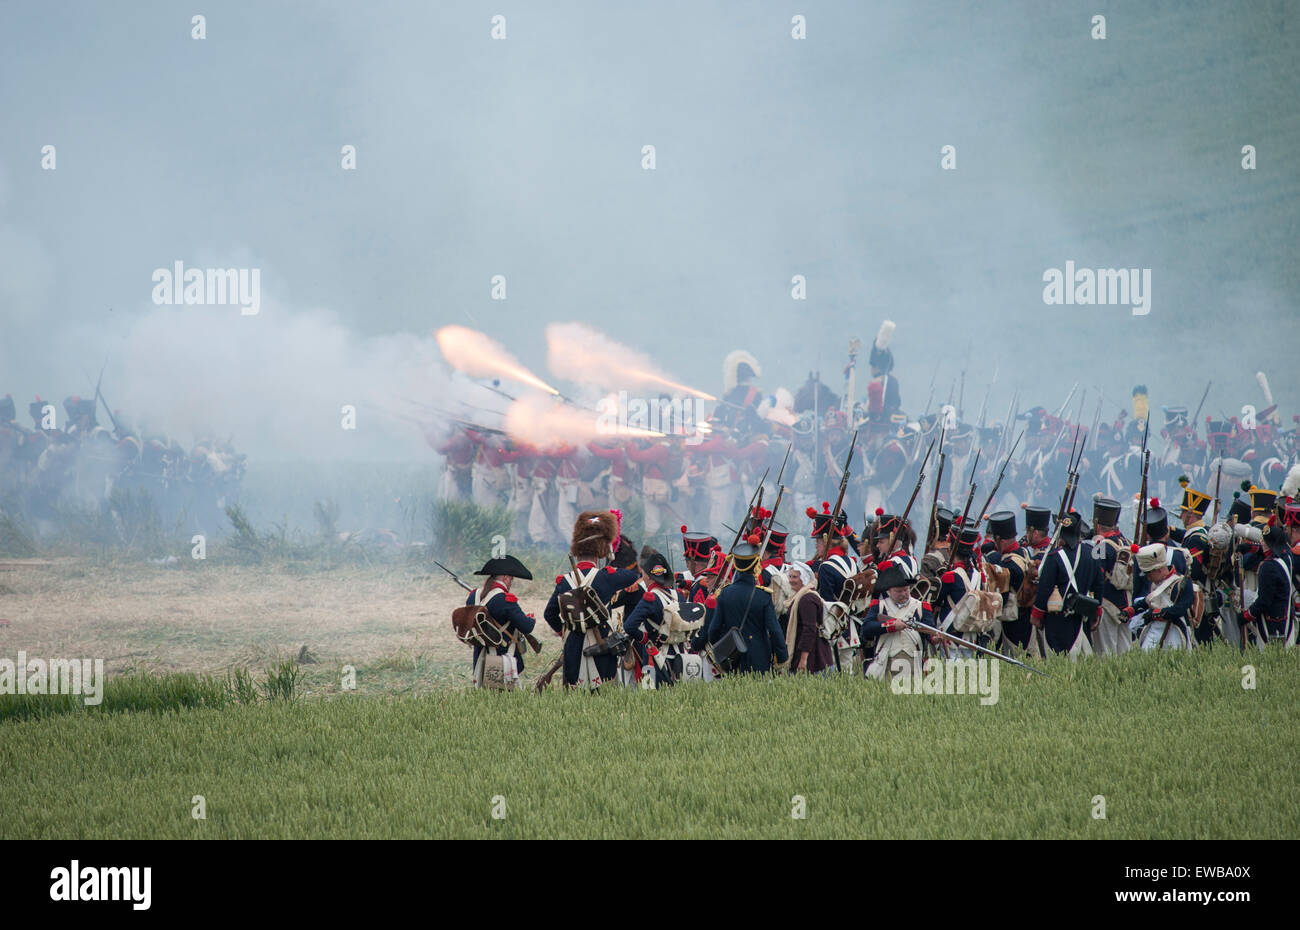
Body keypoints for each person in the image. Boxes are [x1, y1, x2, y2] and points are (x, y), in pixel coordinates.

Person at [543, 510, 640, 689]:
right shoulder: (607, 577)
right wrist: (612, 556)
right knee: (603, 694)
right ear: (598, 553)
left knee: (574, 696)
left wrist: (565, 631)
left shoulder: (564, 581)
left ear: (577, 552)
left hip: (573, 645)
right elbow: (634, 576)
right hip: (602, 643)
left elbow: (549, 614)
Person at [706, 539, 789, 674]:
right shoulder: (763, 596)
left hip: (732, 658)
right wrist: (782, 657)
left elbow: (713, 630)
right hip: (759, 658)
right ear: (755, 565)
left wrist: (722, 650)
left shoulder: (724, 594)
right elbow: (774, 630)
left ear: (736, 565)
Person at [1030, 512, 1098, 655]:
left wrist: (1037, 614)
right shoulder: (1091, 553)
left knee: (1058, 660)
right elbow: (1098, 586)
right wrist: (1096, 613)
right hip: (1083, 618)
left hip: (1057, 620)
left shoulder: (1054, 557)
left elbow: (1045, 588)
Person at [465, 555, 536, 688]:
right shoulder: (505, 599)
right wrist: (531, 619)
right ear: (505, 578)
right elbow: (527, 626)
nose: (511, 582)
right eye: (511, 579)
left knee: (485, 699)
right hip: (502, 658)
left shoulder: (473, 596)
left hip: (480, 658)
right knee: (507, 700)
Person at [860, 558, 930, 681]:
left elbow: (930, 631)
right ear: (889, 591)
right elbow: (866, 629)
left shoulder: (921, 607)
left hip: (912, 663)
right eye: (898, 591)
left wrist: (936, 638)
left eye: (906, 589)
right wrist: (890, 626)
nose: (903, 593)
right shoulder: (879, 606)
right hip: (886, 663)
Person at [1126, 543, 1195, 651]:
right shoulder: (1156, 584)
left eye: (1149, 574)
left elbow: (1181, 609)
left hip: (1174, 631)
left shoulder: (1181, 583)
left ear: (1159, 570)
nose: (1148, 578)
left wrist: (1155, 613)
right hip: (1154, 630)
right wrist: (1130, 610)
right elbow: (1148, 601)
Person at [783, 562, 832, 673]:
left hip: (814, 660)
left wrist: (803, 659)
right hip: (809, 657)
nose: (791, 580)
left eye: (795, 577)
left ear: (804, 578)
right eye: (790, 576)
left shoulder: (807, 599)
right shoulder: (800, 597)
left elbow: (809, 630)